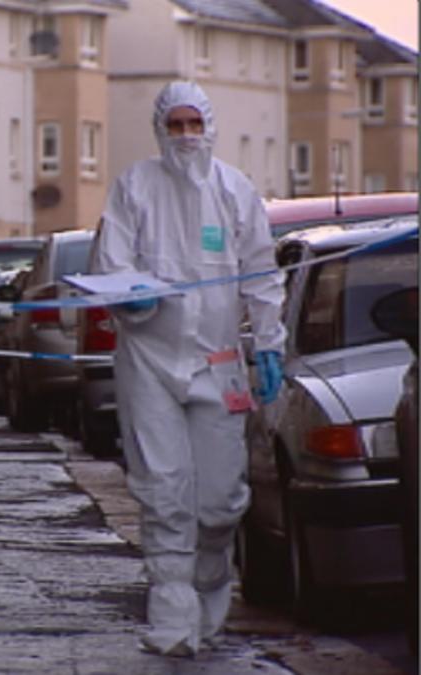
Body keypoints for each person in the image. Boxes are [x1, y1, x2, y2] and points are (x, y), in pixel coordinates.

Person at [90, 81, 285, 656]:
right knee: (163, 491)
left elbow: (261, 270)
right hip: (149, 360)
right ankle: (173, 618)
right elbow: (111, 260)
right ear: (159, 129)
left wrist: (269, 343)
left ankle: (209, 595)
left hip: (217, 361)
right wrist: (130, 299)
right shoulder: (135, 186)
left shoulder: (235, 190)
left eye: (193, 124)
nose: (185, 137)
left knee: (220, 501)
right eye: (174, 125)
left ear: (209, 127)